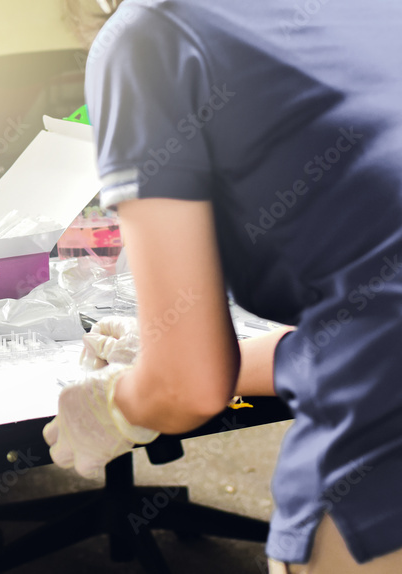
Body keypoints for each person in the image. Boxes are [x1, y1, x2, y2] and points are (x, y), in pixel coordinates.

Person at [44, 1, 402, 572]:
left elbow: (186, 389)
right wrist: (177, 351)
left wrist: (117, 405)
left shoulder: (147, 34)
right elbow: (364, 309)